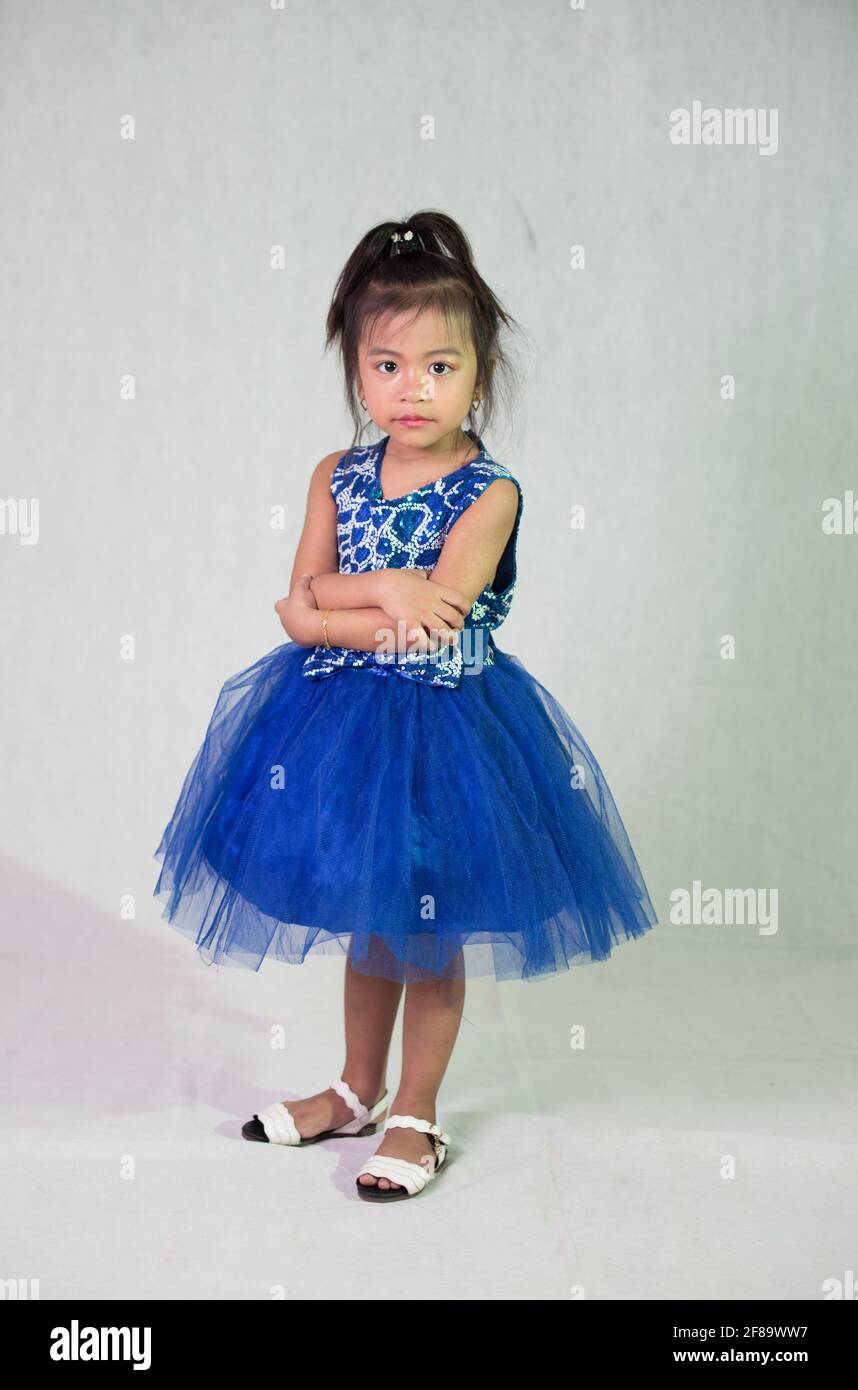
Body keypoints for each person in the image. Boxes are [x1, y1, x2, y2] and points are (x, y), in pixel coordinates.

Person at [153, 209, 659, 1202]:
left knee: (426, 925)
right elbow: (295, 613)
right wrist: (385, 588)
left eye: (439, 366)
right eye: (387, 365)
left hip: (447, 736)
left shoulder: (490, 491)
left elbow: (431, 621)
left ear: (480, 373)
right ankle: (353, 1087)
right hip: (336, 728)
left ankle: (417, 1109)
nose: (411, 388)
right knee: (366, 919)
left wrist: (354, 598)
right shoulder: (334, 475)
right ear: (356, 370)